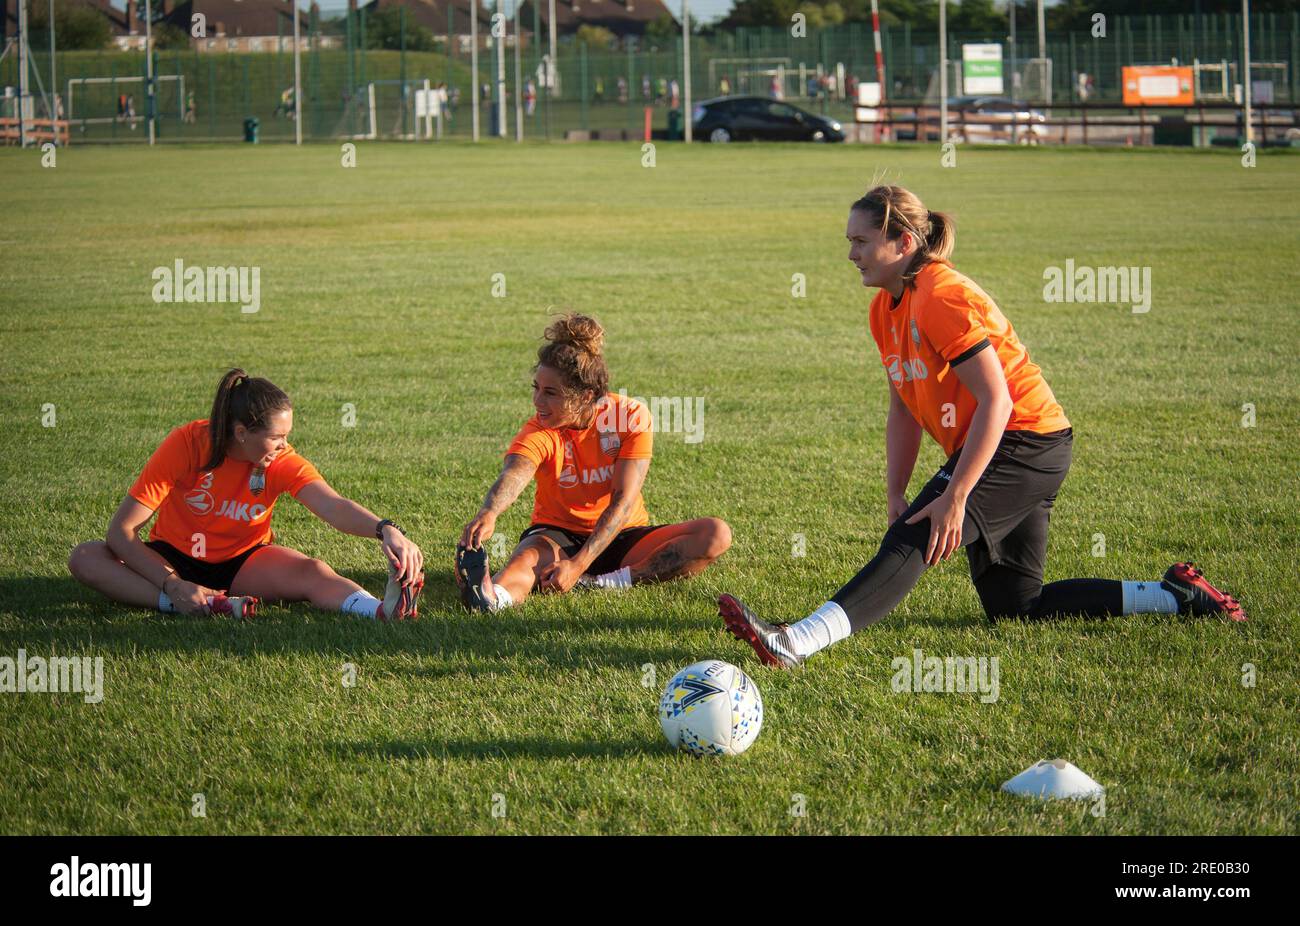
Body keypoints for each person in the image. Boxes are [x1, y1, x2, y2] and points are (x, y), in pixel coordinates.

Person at [720, 186, 1246, 670]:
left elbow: (997, 399)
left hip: (1025, 441)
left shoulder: (941, 296)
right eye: (849, 241)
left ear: (904, 242)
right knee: (1017, 608)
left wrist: (958, 494)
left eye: (861, 241)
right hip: (1009, 445)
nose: (851, 254)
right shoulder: (884, 309)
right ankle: (1174, 596)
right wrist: (896, 489)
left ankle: (797, 641)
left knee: (912, 540)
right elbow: (902, 408)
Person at [69, 369, 425, 621]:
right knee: (86, 557)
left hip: (243, 563)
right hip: (173, 558)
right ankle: (182, 603)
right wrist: (172, 584)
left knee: (312, 571)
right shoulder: (187, 444)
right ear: (241, 433)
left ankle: (379, 610)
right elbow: (122, 531)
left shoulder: (279, 460)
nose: (285, 445)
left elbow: (332, 505)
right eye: (277, 437)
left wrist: (385, 529)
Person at [456, 314, 732, 613]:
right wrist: (490, 511)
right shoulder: (540, 429)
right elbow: (515, 472)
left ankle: (603, 582)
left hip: (622, 535)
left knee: (715, 534)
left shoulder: (628, 416)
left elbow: (623, 501)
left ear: (585, 396)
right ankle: (493, 597)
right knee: (525, 560)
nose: (537, 401)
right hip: (558, 536)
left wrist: (578, 566)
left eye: (550, 393)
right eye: (535, 388)